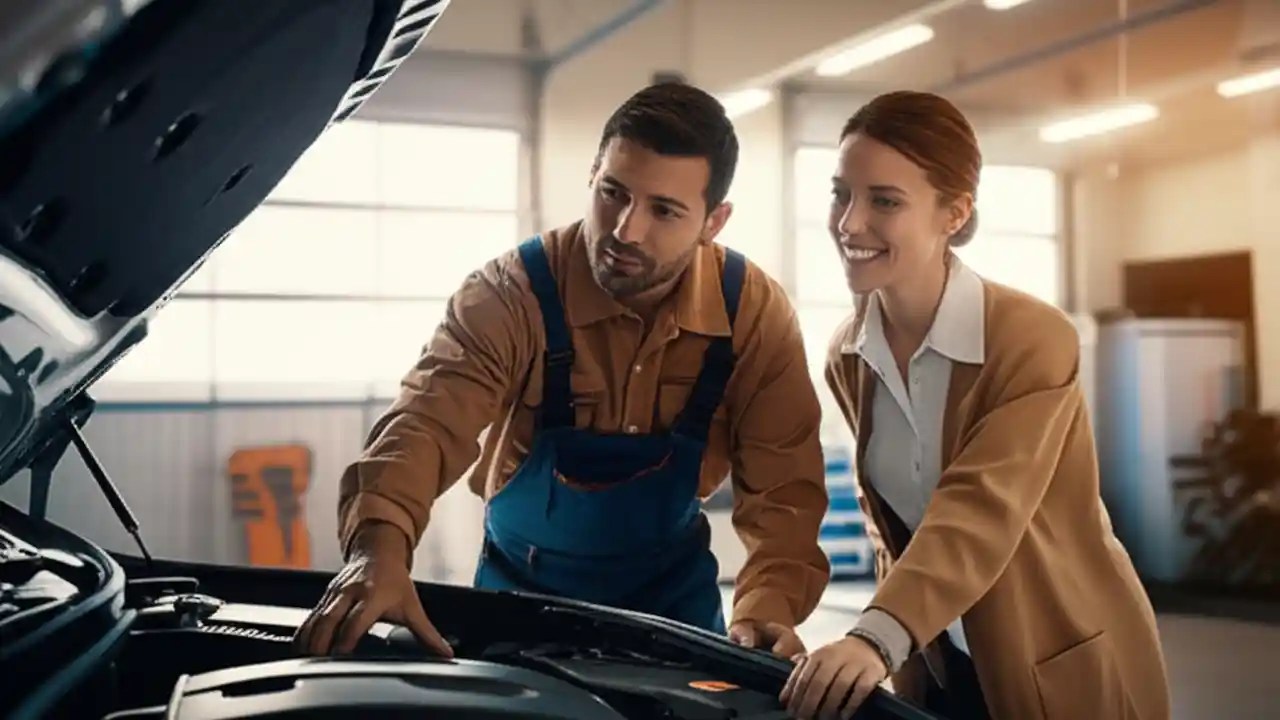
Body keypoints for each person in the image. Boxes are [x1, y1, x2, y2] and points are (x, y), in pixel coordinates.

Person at [293, 81, 831, 660]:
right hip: (518, 602)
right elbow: (424, 425)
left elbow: (785, 490)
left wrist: (768, 607)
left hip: (673, 606)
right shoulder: (510, 294)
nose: (626, 230)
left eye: (664, 210)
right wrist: (377, 551)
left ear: (713, 221)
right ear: (594, 172)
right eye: (613, 193)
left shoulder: (751, 312)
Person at [779, 91, 1171, 720]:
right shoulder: (848, 356)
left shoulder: (1031, 340)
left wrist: (874, 636)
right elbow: (896, 527)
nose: (850, 223)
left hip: (1058, 654)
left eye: (884, 200)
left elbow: (980, 509)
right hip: (936, 659)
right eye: (839, 193)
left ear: (954, 214)